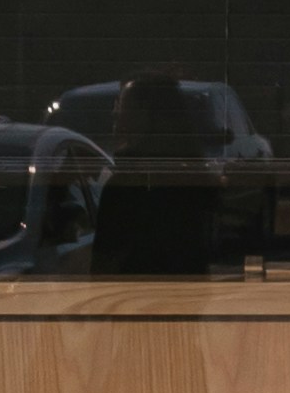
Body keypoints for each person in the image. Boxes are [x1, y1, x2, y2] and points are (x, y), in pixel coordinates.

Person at [84, 68, 222, 279]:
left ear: (147, 115)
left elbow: (104, 264)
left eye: (123, 107)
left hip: (136, 296)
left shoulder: (127, 186)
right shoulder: (193, 180)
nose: (115, 114)